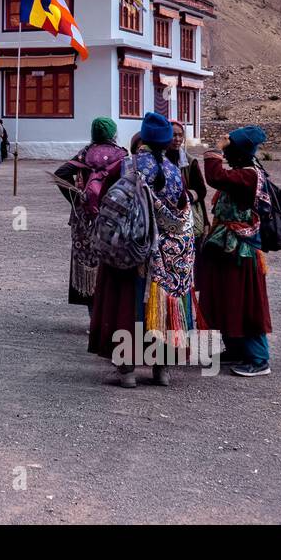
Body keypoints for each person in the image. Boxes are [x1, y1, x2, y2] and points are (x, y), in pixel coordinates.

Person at [88, 113, 195, 388]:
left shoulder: (125, 166)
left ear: (143, 137)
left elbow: (104, 200)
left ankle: (127, 371)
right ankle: (161, 370)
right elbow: (182, 206)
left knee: (128, 304)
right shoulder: (173, 171)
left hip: (130, 248)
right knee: (160, 305)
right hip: (166, 254)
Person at [198, 125, 273, 377]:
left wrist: (214, 150)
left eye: (230, 152)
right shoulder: (247, 172)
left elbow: (215, 176)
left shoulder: (248, 176)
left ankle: (259, 358)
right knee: (229, 298)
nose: (227, 156)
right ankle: (236, 348)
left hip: (242, 251)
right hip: (229, 250)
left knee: (246, 303)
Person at [54, 116, 128, 307]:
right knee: (110, 262)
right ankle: (109, 314)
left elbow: (60, 174)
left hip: (85, 218)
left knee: (88, 261)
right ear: (113, 134)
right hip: (112, 217)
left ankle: (92, 312)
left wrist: (76, 199)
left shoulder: (84, 154)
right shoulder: (122, 156)